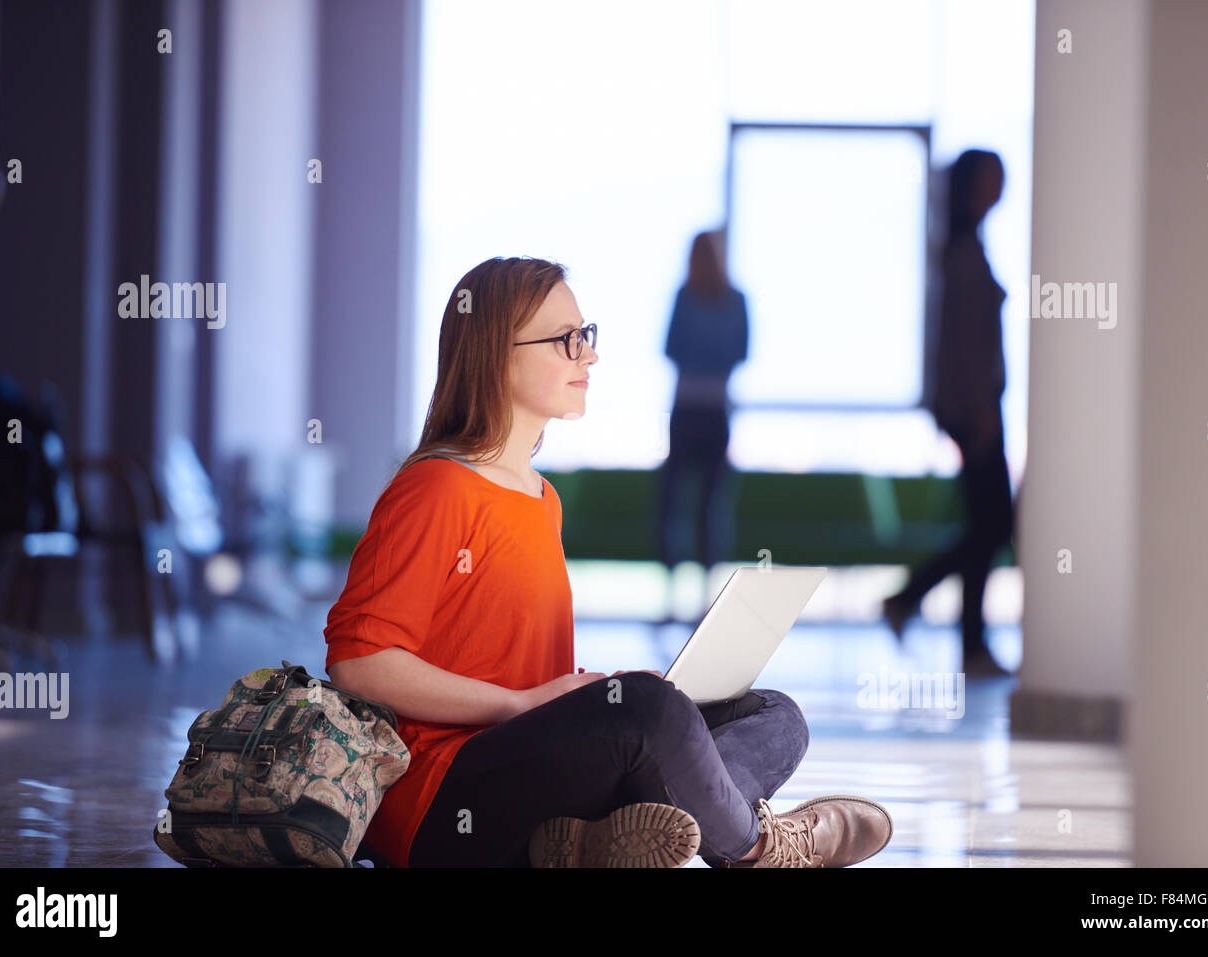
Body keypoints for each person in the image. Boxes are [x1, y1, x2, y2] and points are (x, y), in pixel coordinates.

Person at [324, 256, 893, 867]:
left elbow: (527, 676)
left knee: (773, 714)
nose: (588, 356)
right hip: (445, 801)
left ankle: (589, 842)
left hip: (533, 780)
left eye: (586, 336)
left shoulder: (543, 499)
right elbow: (361, 664)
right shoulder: (436, 487)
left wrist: (581, 700)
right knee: (651, 712)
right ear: (498, 352)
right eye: (566, 341)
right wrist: (522, 705)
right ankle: (764, 848)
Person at [883, 150, 1015, 677]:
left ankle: (919, 605)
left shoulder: (966, 248)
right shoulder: (961, 254)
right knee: (992, 525)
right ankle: (963, 639)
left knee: (989, 525)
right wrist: (976, 408)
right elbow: (962, 344)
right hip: (977, 411)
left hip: (980, 408)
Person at [658, 230, 748, 581]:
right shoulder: (733, 299)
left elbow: (672, 349)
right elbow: (738, 352)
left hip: (691, 408)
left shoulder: (688, 298)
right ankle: (702, 577)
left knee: (680, 500)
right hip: (712, 409)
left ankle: (680, 576)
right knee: (707, 501)